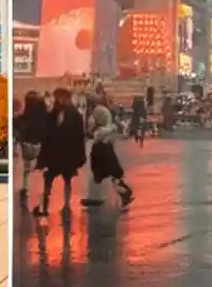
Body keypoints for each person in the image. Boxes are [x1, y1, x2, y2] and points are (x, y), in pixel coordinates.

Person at [33, 88, 87, 217]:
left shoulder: (75, 115)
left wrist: (80, 156)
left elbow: (79, 137)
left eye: (62, 97)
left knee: (67, 179)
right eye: (58, 97)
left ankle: (66, 205)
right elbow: (46, 135)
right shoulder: (52, 113)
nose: (60, 100)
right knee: (48, 179)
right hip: (54, 153)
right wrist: (42, 157)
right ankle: (44, 205)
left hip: (67, 154)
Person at [81, 104, 134, 209]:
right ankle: (125, 194)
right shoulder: (109, 128)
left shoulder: (102, 131)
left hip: (102, 156)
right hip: (107, 156)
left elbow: (94, 136)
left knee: (101, 177)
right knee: (114, 177)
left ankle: (96, 198)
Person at [16, 91, 49, 204]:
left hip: (27, 144)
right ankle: (43, 191)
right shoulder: (45, 116)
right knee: (42, 169)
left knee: (27, 168)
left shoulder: (24, 116)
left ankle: (25, 188)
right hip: (41, 145)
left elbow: (19, 127)